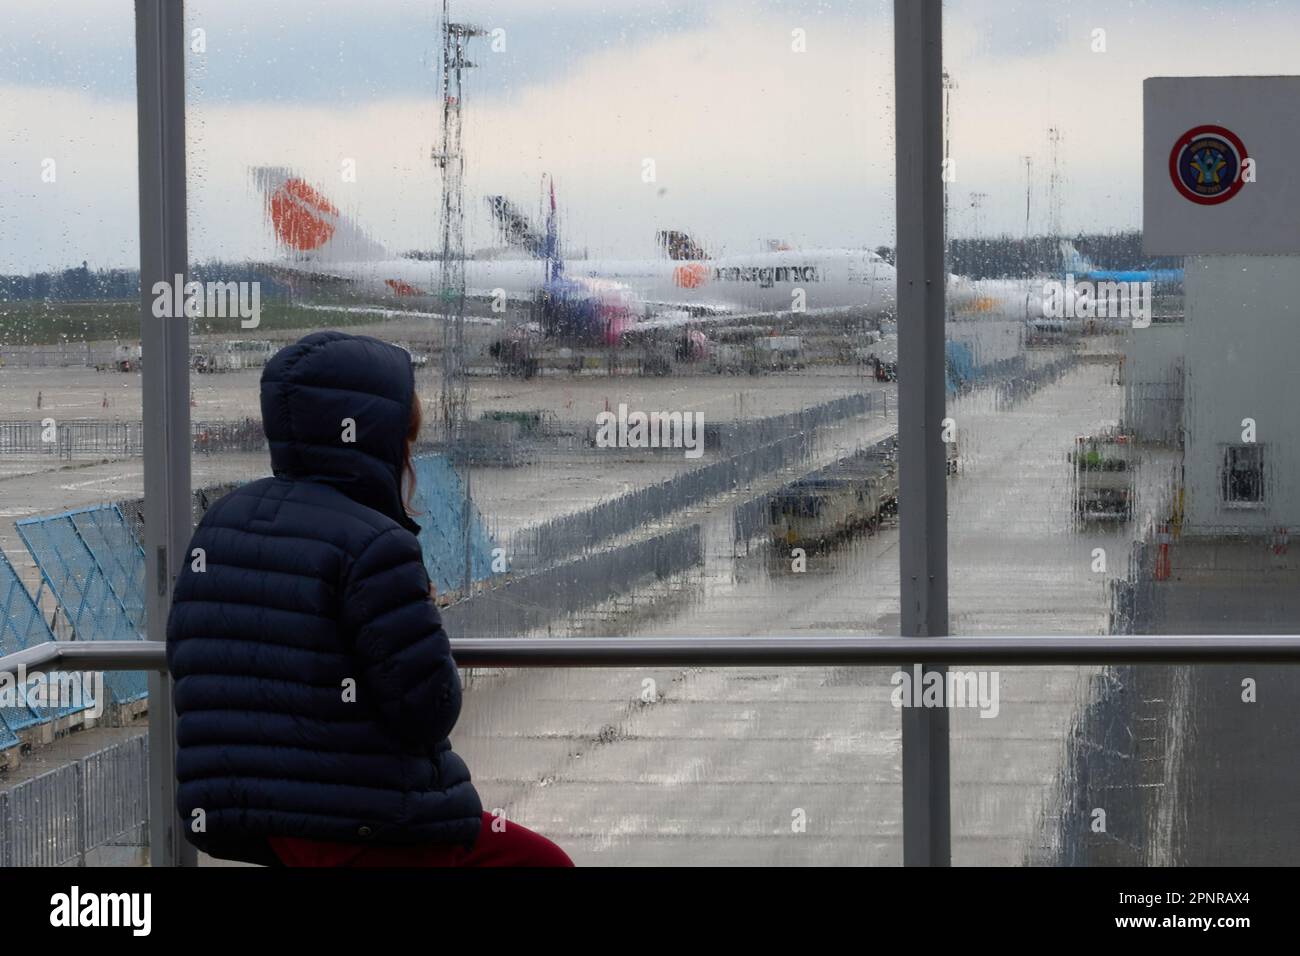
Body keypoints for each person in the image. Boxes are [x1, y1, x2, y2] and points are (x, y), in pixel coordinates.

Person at [166, 331, 571, 867]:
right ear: (378, 439)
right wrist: (423, 610)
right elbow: (429, 709)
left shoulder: (223, 521)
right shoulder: (375, 543)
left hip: (244, 816)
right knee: (541, 863)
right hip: (360, 821)